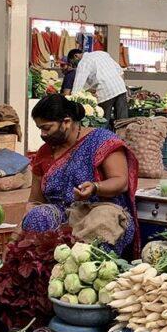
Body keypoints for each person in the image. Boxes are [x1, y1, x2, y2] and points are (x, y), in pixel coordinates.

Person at [23, 94, 139, 254]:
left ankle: (89, 270)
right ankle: (44, 272)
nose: (42, 134)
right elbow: (35, 201)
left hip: (101, 210)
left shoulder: (101, 140)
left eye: (47, 128)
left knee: (102, 220)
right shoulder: (44, 153)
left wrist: (95, 187)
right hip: (62, 215)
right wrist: (19, 233)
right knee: (38, 215)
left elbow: (121, 181)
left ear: (66, 122)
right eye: (40, 129)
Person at [67, 48, 129, 129]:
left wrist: (70, 102)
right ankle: (122, 140)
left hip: (105, 92)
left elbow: (77, 87)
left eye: (72, 63)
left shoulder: (84, 62)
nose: (73, 66)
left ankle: (104, 140)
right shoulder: (102, 54)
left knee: (103, 122)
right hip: (120, 88)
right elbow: (121, 72)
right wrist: (122, 85)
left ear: (76, 56)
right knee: (122, 121)